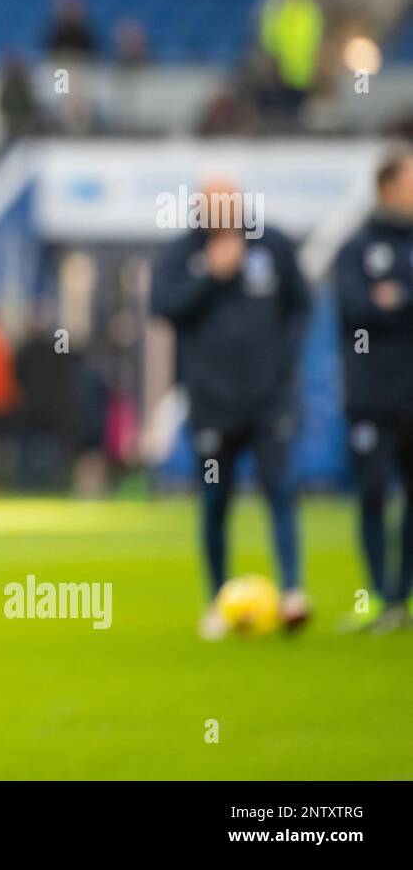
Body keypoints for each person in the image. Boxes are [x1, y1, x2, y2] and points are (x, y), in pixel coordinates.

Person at [150, 178, 312, 639]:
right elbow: (164, 306)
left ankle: (293, 591)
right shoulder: (183, 252)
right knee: (216, 502)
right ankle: (218, 599)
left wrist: (283, 364)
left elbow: (302, 305)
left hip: (268, 402)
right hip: (212, 405)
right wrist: (211, 276)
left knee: (281, 491)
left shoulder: (271, 244)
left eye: (229, 201)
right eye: (211, 203)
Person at [335, 149, 413, 632]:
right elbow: (357, 308)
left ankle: (400, 597)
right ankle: (377, 594)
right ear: (388, 186)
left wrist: (394, 298)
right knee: (372, 493)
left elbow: (382, 304)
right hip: (370, 396)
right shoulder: (356, 247)